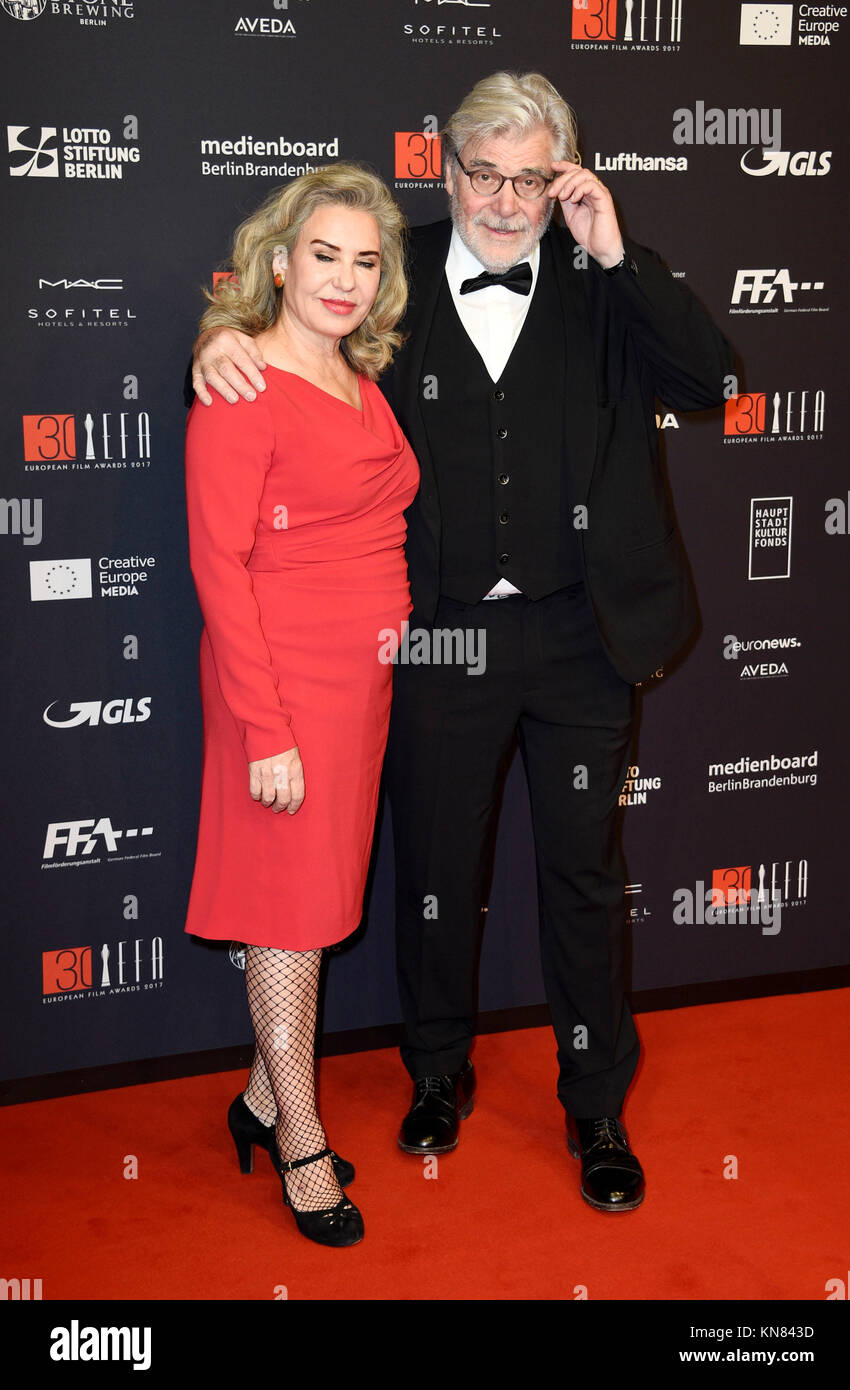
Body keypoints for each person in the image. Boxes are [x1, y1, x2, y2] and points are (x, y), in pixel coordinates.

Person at [191, 72, 734, 1214]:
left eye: (529, 177)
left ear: (562, 178)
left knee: (583, 875)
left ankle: (595, 1105)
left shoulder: (600, 276)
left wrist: (616, 247)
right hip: (436, 642)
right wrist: (214, 347)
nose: (502, 200)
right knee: (438, 867)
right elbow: (281, 356)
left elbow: (714, 377)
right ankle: (435, 1073)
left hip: (584, 636)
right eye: (482, 173)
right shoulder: (382, 280)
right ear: (448, 170)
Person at [184, 163, 419, 1246]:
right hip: (277, 685)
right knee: (289, 918)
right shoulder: (241, 385)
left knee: (316, 903)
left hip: (355, 690)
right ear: (278, 262)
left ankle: (260, 1097)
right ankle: (301, 1141)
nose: (344, 278)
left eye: (365, 261)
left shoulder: (355, 379)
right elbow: (220, 569)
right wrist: (266, 728)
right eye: (323, 254)